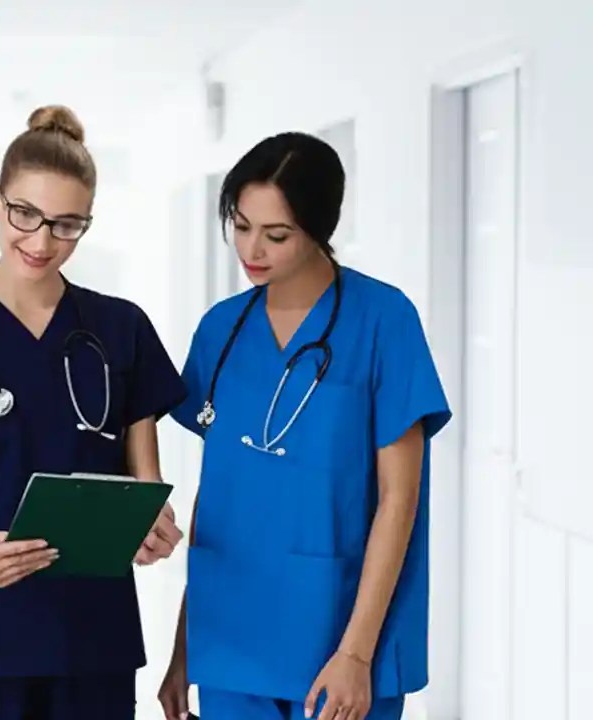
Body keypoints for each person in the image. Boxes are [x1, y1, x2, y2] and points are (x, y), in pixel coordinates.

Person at [0, 105, 188, 720]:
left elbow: (144, 484)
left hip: (88, 635)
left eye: (66, 225)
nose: (40, 241)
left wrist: (153, 526)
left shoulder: (121, 328)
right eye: (24, 215)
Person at [158, 131, 452, 720]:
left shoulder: (382, 320)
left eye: (277, 234)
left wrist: (356, 654)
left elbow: (399, 499)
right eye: (240, 226)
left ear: (320, 227)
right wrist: (185, 646)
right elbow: (217, 495)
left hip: (340, 641)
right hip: (232, 640)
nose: (252, 250)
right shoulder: (221, 329)